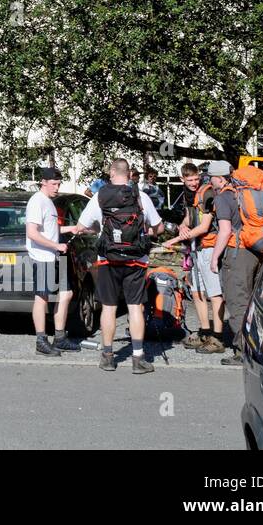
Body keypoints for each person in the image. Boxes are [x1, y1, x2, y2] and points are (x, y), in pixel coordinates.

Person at [76, 158, 165, 374]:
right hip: (136, 259)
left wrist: (99, 231)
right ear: (128, 174)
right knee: (135, 307)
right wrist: (144, 232)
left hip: (108, 259)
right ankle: (137, 357)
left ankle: (108, 356)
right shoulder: (140, 196)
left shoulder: (100, 196)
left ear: (111, 172)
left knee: (109, 307)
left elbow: (81, 227)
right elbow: (159, 227)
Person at [161, 163, 225, 354]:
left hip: (208, 246)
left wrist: (174, 239)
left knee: (214, 293)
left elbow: (204, 226)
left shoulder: (207, 193)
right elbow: (190, 218)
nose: (194, 183)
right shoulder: (189, 194)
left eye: (196, 179)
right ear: (182, 179)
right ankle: (204, 330)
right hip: (195, 248)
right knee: (196, 291)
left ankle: (218, 336)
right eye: (189, 180)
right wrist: (182, 226)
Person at [25, 167, 82, 355]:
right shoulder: (37, 201)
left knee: (66, 293)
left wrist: (71, 229)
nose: (57, 188)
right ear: (43, 182)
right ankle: (41, 340)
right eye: (54, 184)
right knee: (41, 297)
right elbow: (32, 233)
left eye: (59, 184)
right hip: (43, 256)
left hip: (54, 255)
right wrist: (55, 246)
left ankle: (59, 338)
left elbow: (49, 230)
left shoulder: (49, 202)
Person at [207, 159, 254, 366]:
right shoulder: (241, 194)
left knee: (237, 302)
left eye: (211, 178)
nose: (210, 181)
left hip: (236, 253)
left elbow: (225, 231)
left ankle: (242, 351)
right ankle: (254, 346)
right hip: (253, 251)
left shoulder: (222, 199)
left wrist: (214, 257)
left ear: (219, 178)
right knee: (251, 301)